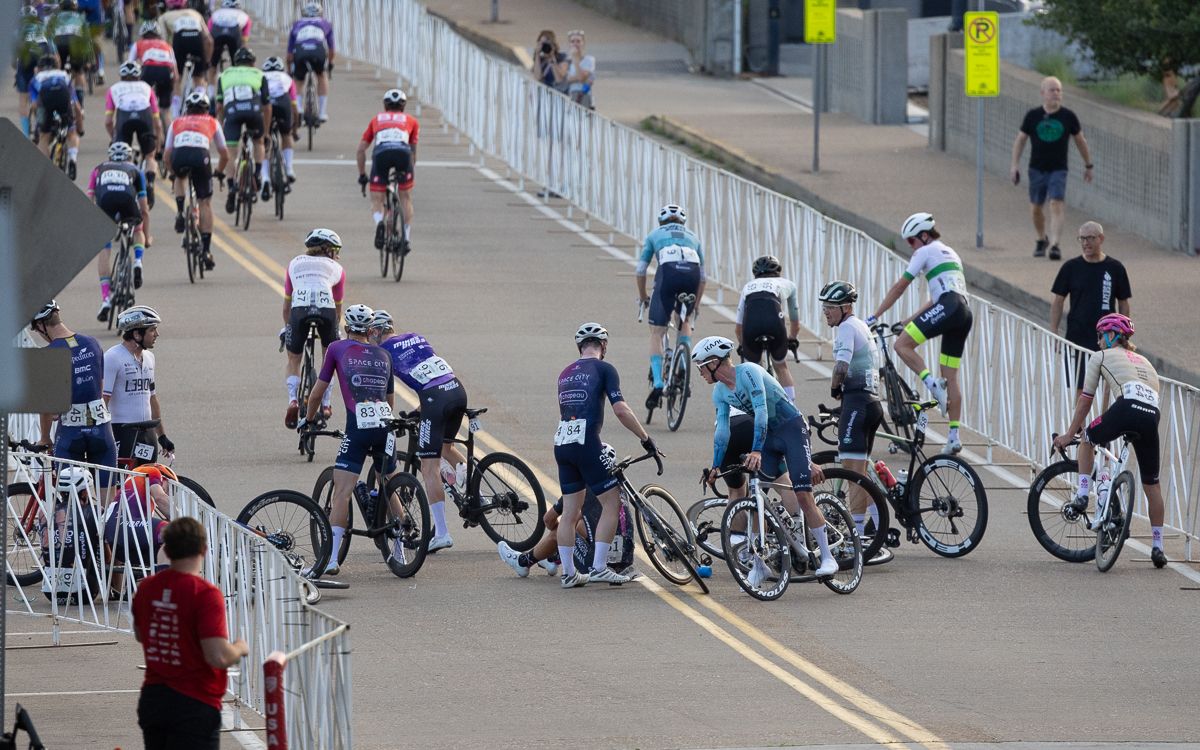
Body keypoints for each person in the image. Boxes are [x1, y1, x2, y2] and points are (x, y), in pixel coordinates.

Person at [692, 335, 838, 579]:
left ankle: (827, 557)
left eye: (701, 367)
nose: (700, 373)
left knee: (802, 493)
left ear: (715, 362)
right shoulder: (719, 392)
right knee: (755, 494)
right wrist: (716, 465)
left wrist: (757, 450)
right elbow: (723, 430)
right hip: (770, 436)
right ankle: (760, 563)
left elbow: (760, 413)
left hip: (791, 428)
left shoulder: (749, 372)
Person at [1052, 314, 1168, 569]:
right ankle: (1158, 547)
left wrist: (1070, 434)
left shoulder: (1100, 356)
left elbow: (1086, 399)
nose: (1097, 340)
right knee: (1152, 484)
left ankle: (1082, 495)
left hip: (1126, 408)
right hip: (1151, 416)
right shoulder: (1146, 362)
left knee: (1088, 439)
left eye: (1100, 335)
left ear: (1112, 335)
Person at [553, 323, 657, 588]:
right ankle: (599, 567)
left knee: (570, 512)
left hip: (563, 442)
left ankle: (568, 573)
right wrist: (645, 438)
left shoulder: (565, 373)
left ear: (580, 347)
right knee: (612, 503)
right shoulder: (604, 369)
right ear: (604, 346)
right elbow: (620, 410)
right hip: (587, 442)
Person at [133, 516, 249, 749]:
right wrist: (239, 648)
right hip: (193, 702)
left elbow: (140, 633)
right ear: (204, 549)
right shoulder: (204, 593)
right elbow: (217, 655)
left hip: (154, 698)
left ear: (166, 548)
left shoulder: (147, 587)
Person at [297, 304, 395, 576]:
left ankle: (330, 558)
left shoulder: (337, 349)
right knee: (388, 482)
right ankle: (401, 536)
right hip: (385, 425)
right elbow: (389, 401)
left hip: (358, 428)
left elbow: (318, 392)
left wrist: (308, 418)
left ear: (347, 327)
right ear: (371, 329)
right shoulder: (385, 354)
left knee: (342, 491)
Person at [868, 212, 972, 453]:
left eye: (911, 241)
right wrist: (908, 320)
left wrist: (875, 316)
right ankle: (954, 435)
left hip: (949, 306)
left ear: (924, 236)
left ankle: (931, 383)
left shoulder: (924, 251)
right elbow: (937, 299)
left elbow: (900, 286)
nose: (910, 246)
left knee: (901, 346)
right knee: (951, 377)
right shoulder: (950, 252)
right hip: (963, 312)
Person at [369, 309, 471, 554]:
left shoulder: (384, 352)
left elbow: (387, 392)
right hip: (457, 391)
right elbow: (430, 375)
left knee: (429, 467)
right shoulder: (415, 336)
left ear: (375, 332)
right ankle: (474, 494)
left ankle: (443, 533)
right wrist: (419, 410)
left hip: (435, 399)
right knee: (447, 447)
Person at [819, 281, 887, 541]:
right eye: (824, 307)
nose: (826, 312)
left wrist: (835, 389)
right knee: (861, 471)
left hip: (857, 404)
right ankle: (880, 527)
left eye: (831, 307)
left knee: (853, 475)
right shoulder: (860, 325)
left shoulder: (846, 328)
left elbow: (841, 367)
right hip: (871, 404)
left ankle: (855, 538)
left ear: (846, 307)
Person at [30, 301, 118, 490]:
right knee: (108, 504)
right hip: (101, 429)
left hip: (71, 433)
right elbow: (98, 389)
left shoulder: (47, 354)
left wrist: (45, 437)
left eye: (37, 331)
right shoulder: (93, 343)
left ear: (41, 325)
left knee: (72, 505)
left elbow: (46, 407)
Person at [1009, 76, 1094, 261]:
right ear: (1043, 94)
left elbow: (1080, 141)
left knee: (1056, 203)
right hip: (1036, 168)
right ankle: (1041, 239)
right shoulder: (1033, 116)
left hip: (1059, 169)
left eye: (1058, 90)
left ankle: (1055, 244)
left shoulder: (1068, 117)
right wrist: (1014, 165)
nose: (1056, 94)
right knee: (1036, 208)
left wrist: (1088, 165)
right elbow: (1020, 140)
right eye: (1052, 90)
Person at [1050, 221, 1132, 396]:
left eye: (1090, 238)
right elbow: (1058, 301)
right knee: (1081, 386)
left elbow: (1123, 303)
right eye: (1082, 238)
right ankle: (1080, 422)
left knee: (1108, 385)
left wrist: (1124, 336)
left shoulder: (1115, 268)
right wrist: (1054, 331)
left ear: (1101, 239)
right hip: (1077, 335)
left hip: (1107, 338)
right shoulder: (1071, 268)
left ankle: (1103, 421)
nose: (1085, 243)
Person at [636, 204, 705, 411]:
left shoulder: (654, 234)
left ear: (661, 221)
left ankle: (658, 381)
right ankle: (682, 363)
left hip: (667, 276)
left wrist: (643, 296)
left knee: (657, 332)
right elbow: (703, 277)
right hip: (692, 276)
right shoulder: (693, 237)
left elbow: (641, 270)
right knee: (684, 320)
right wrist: (696, 305)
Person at [282, 228, 344, 428]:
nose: (338, 255)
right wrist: (336, 332)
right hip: (326, 312)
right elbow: (337, 310)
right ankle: (325, 404)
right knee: (330, 356)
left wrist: (287, 329)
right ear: (326, 250)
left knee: (294, 358)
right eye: (335, 250)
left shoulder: (294, 263)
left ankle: (293, 399)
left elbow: (286, 307)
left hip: (299, 311)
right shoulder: (337, 268)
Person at [164, 90, 229, 271]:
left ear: (187, 109)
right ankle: (206, 250)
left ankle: (179, 212)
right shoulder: (212, 121)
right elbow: (224, 154)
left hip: (180, 156)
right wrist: (219, 172)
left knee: (179, 176)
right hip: (201, 157)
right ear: (206, 109)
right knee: (205, 202)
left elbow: (167, 156)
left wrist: (172, 172)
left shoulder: (176, 122)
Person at [103, 306, 175, 466]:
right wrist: (103, 436)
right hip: (122, 432)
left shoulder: (149, 357)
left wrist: (162, 435)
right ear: (136, 334)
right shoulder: (112, 357)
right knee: (123, 484)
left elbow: (152, 398)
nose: (157, 334)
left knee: (148, 482)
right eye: (152, 330)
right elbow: (103, 400)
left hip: (147, 432)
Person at [88, 142, 152, 318]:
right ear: (129, 157)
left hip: (105, 203)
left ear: (110, 157)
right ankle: (138, 261)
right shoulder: (135, 169)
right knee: (137, 228)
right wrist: (146, 236)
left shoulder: (98, 169)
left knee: (104, 248)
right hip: (126, 202)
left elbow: (89, 198)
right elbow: (144, 208)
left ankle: (106, 299)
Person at [356, 89, 419, 254]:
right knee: (406, 197)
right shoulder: (411, 120)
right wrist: (410, 172)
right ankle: (406, 239)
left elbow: (361, 149)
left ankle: (379, 223)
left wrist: (362, 175)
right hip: (403, 154)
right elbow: (413, 152)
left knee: (377, 199)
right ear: (403, 106)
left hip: (381, 153)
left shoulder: (377, 119)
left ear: (385, 105)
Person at [735, 255, 800, 402]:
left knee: (751, 369)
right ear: (778, 271)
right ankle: (792, 409)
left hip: (752, 326)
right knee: (781, 366)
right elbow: (795, 322)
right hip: (774, 323)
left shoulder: (748, 287)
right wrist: (792, 338)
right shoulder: (788, 284)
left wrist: (742, 345)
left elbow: (738, 328)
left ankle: (753, 409)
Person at [216, 46, 271, 214]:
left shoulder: (224, 75)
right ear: (253, 63)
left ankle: (232, 186)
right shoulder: (259, 75)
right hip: (253, 112)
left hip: (232, 113)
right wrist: (266, 132)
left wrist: (221, 126)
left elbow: (219, 106)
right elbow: (267, 107)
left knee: (231, 152)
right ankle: (258, 173)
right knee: (259, 141)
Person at [105, 60, 163, 206]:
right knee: (149, 156)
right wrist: (158, 145)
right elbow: (157, 122)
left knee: (123, 157)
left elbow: (108, 121)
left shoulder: (114, 89)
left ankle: (128, 184)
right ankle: (149, 182)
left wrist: (114, 138)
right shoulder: (146, 87)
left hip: (124, 118)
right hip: (144, 116)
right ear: (138, 76)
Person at [29, 54, 84, 179]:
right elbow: (76, 105)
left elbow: (34, 105)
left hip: (46, 98)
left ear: (39, 68)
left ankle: (47, 169)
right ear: (56, 65)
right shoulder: (64, 75)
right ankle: (72, 159)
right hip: (63, 95)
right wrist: (79, 128)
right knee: (71, 133)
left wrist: (39, 123)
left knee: (44, 137)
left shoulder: (36, 78)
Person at [157, 1, 212, 116]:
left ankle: (175, 114)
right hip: (196, 39)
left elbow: (162, 41)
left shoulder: (164, 17)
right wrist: (206, 61)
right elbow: (209, 39)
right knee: (199, 79)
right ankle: (202, 110)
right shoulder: (194, 13)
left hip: (179, 40)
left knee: (177, 80)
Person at [286, 1, 334, 122]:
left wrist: (289, 70)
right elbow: (331, 48)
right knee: (322, 76)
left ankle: (300, 108)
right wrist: (330, 64)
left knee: (298, 80)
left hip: (301, 51)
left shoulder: (297, 24)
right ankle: (322, 113)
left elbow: (289, 54)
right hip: (318, 51)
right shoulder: (325, 23)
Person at [14, 6, 57, 137]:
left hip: (25, 60)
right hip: (41, 57)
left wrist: (17, 70)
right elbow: (54, 53)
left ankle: (26, 134)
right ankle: (41, 124)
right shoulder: (43, 28)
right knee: (41, 92)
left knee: (23, 99)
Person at [130, 22, 178, 136]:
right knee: (165, 111)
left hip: (148, 70)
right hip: (166, 71)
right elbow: (175, 73)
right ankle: (170, 139)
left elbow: (130, 65)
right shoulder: (166, 45)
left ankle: (154, 138)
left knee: (148, 107)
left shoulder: (138, 44)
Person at [261, 55, 299, 195]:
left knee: (263, 141)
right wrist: (293, 129)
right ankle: (289, 169)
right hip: (282, 104)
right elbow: (294, 108)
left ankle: (264, 177)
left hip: (266, 105)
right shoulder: (287, 78)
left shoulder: (261, 76)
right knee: (286, 135)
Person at [46, 0, 93, 103]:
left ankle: (59, 92)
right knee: (78, 71)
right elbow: (87, 38)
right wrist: (88, 58)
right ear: (73, 7)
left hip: (59, 43)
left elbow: (48, 36)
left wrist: (54, 53)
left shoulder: (54, 18)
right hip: (76, 42)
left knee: (59, 70)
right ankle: (80, 103)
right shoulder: (80, 17)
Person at [206, 0, 252, 88]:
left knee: (212, 64)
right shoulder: (244, 15)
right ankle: (236, 86)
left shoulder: (216, 13)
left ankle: (211, 92)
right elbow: (244, 39)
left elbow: (208, 34)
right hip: (234, 34)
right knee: (237, 63)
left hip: (217, 33)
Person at [563, 29, 595, 108]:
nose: (575, 44)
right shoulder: (567, 60)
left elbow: (581, 78)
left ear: (583, 43)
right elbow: (566, 79)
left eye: (578, 41)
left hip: (584, 95)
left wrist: (575, 59)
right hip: (571, 94)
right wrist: (580, 77)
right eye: (572, 41)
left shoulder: (589, 59)